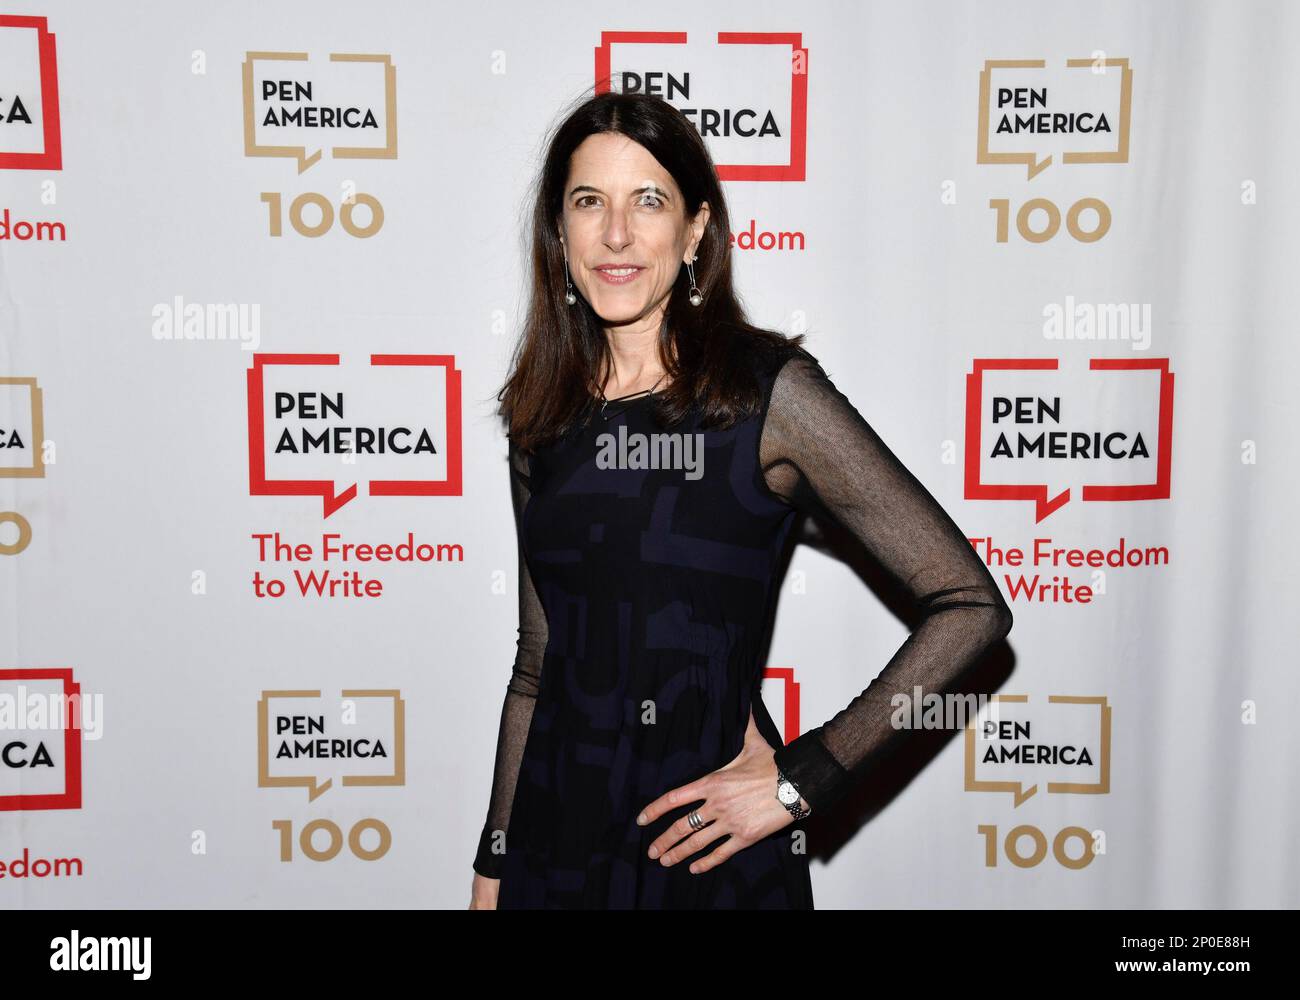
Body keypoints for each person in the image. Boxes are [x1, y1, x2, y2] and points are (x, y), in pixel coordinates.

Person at [468, 90, 1013, 909]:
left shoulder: (766, 397)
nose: (616, 233)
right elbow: (538, 669)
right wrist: (494, 866)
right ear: (560, 234)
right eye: (589, 202)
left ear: (694, 231)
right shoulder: (542, 415)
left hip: (704, 863)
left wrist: (802, 781)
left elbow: (970, 606)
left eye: (647, 200)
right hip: (555, 858)